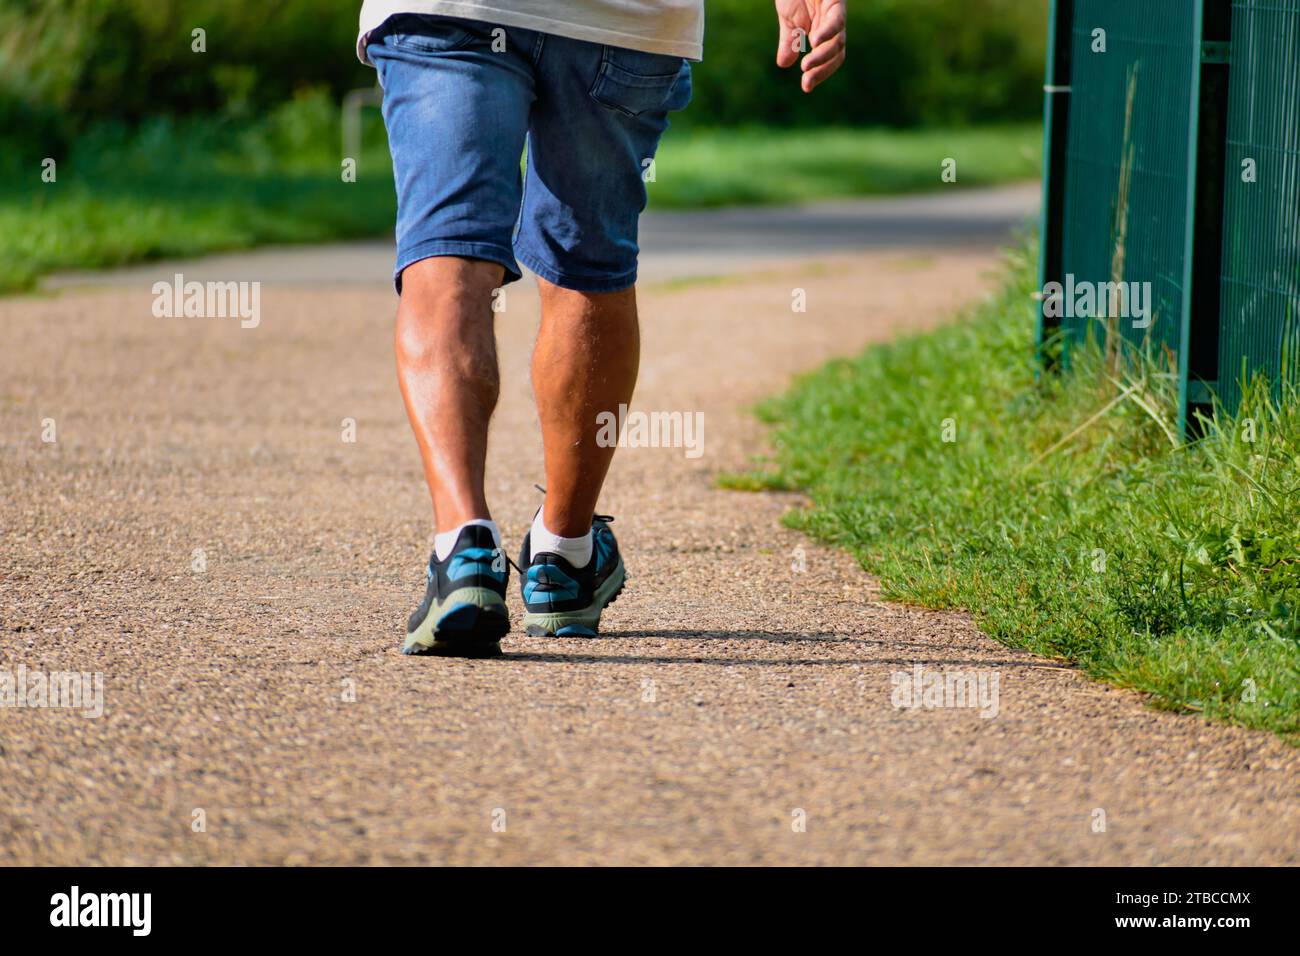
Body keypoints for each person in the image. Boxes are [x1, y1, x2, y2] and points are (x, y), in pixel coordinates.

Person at [357, 0, 847, 656]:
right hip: (618, 18)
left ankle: (463, 550)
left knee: (451, 242)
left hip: (453, 8)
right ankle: (563, 554)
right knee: (589, 259)